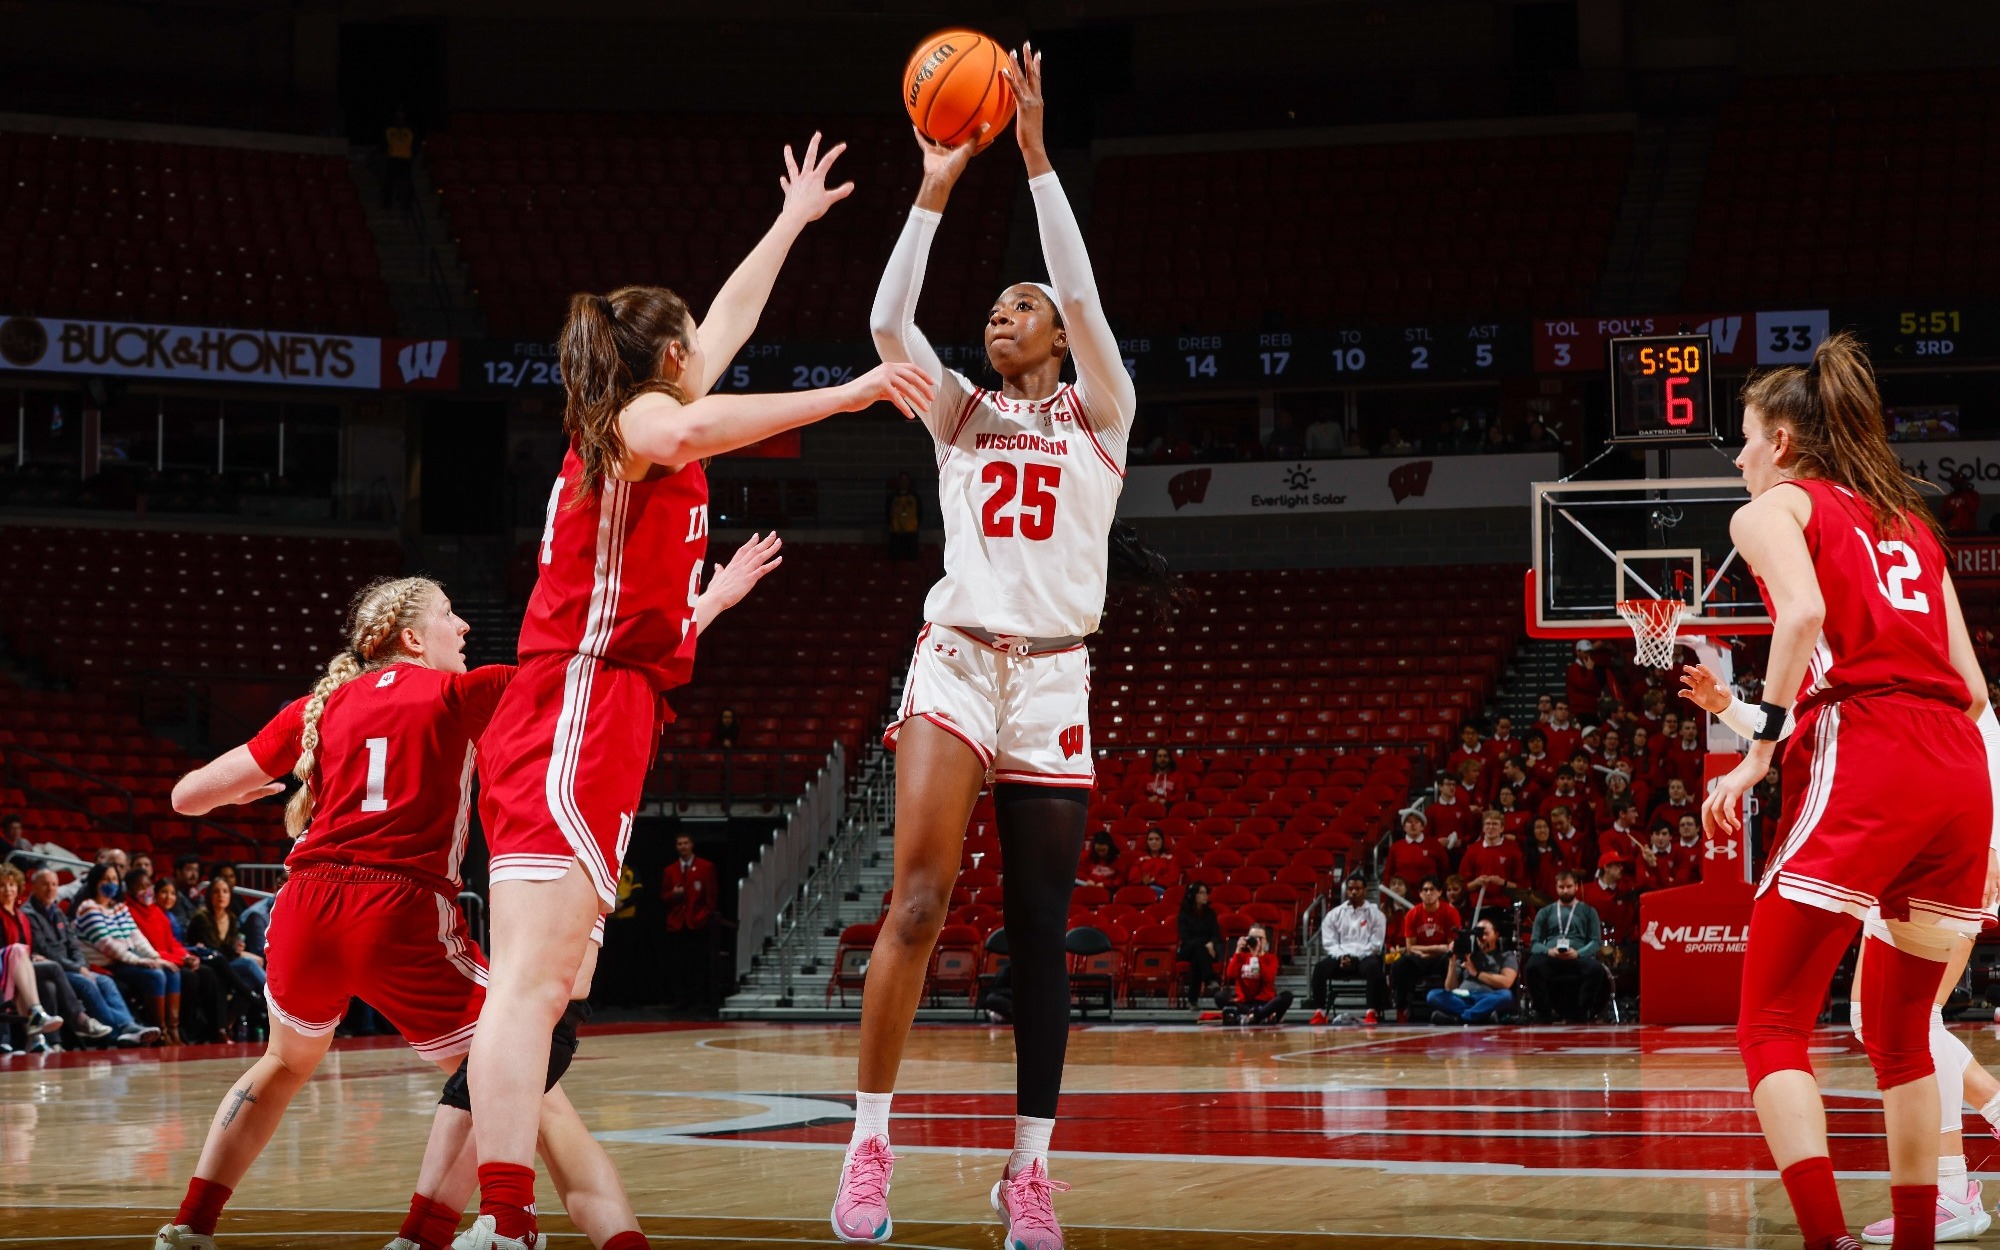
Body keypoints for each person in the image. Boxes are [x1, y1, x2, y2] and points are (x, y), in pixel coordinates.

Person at [459, 131, 928, 1250]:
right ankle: (497, 1220)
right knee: (525, 982)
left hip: (610, 702)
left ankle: (487, 1210)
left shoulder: (638, 410)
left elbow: (725, 324)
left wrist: (790, 223)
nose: (705, 352)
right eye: (691, 347)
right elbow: (704, 414)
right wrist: (851, 391)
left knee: (555, 975)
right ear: (663, 353)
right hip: (573, 698)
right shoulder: (634, 423)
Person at [151, 564, 772, 1250]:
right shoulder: (462, 692)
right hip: (397, 906)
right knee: (524, 1064)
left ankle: (190, 1225)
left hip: (302, 908)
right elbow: (607, 671)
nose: (465, 625)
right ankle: (515, 1227)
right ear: (411, 638)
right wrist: (707, 604)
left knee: (285, 1061)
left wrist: (248, 792)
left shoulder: (316, 709)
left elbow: (188, 797)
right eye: (450, 614)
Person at [837, 44, 1141, 1249]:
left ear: (1056, 335)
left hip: (1056, 675)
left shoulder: (1102, 409)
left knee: (1035, 936)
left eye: (1018, 309)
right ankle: (869, 1144)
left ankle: (1029, 1172)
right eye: (995, 309)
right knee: (915, 900)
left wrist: (1035, 160)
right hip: (957, 659)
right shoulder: (958, 413)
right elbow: (883, 319)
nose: (997, 317)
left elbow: (1082, 292)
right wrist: (933, 183)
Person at [1699, 331, 1994, 1250]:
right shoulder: (1912, 522)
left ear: (1783, 443)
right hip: (1958, 766)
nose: (1739, 456)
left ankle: (1823, 1240)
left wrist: (1767, 739)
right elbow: (1977, 689)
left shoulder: (1773, 507)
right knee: (1902, 1030)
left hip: (1866, 750)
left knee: (1771, 1025)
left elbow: (1806, 615)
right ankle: (1915, 1237)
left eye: (1745, 437)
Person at [25, 866, 154, 1045]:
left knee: (105, 982)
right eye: (45, 884)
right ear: (33, 886)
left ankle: (128, 1025)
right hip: (57, 969)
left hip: (73, 966)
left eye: (54, 884)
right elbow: (46, 951)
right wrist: (78, 968)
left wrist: (81, 965)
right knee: (86, 983)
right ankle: (118, 1033)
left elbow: (74, 944)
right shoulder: (29, 914)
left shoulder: (57, 912)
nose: (51, 888)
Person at [0, 863, 81, 1049]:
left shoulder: (21, 916)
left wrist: (34, 955)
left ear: (18, 887)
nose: (8, 889)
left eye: (11, 885)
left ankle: (41, 1040)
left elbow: (30, 946)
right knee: (47, 964)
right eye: (2, 885)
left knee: (47, 985)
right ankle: (76, 1017)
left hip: (18, 967)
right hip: (3, 965)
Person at [1523, 871, 1608, 1023]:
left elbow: (1596, 942)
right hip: (1552, 955)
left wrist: (1579, 953)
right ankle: (1543, 1012)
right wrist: (1548, 951)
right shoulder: (1545, 912)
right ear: (1556, 888)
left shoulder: (1588, 911)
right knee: (1532, 966)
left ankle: (1582, 1012)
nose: (1565, 890)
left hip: (1577, 955)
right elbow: (1534, 943)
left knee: (1595, 969)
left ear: (1576, 887)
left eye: (1569, 886)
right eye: (1561, 887)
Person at [1309, 876, 1387, 1019]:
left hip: (1365, 956)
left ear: (1365, 890)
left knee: (1374, 967)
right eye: (1350, 889)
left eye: (1357, 889)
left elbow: (1376, 944)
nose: (1353, 892)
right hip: (1340, 956)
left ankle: (1372, 1012)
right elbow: (1329, 942)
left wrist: (1355, 958)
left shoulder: (1376, 914)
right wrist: (1342, 956)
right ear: (1346, 892)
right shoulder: (1334, 914)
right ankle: (1319, 1012)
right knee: (1320, 968)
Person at [186, 876, 268, 1007]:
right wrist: (240, 953)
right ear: (209, 895)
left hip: (227, 961)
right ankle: (279, 999)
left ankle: (232, 1020)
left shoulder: (231, 917)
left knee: (249, 979)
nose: (221, 895)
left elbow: (231, 946)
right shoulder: (201, 917)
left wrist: (239, 948)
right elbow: (213, 948)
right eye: (216, 891)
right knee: (248, 963)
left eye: (225, 891)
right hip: (209, 961)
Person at [660, 833, 717, 1012]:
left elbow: (711, 897)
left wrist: (704, 916)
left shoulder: (706, 867)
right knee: (678, 965)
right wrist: (673, 894)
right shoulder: (670, 870)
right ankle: (680, 1000)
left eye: (685, 843)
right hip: (677, 923)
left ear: (692, 845)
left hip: (697, 923)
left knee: (697, 963)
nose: (683, 846)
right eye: (679, 844)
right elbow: (663, 896)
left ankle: (698, 1000)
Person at [1425, 918, 1519, 1025]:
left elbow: (1506, 982)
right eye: (1479, 935)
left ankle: (1460, 1019)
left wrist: (1476, 973)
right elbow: (1450, 988)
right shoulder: (1467, 955)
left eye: (1486, 934)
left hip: (1487, 997)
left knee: (1506, 995)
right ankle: (1480, 1016)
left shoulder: (1506, 956)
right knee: (1433, 995)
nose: (1482, 938)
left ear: (1496, 935)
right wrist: (1452, 961)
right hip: (1462, 997)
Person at [1390, 877, 1459, 1022]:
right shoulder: (1412, 914)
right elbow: (1410, 947)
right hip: (1420, 959)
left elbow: (1450, 946)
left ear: (1440, 892)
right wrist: (1437, 948)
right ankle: (1402, 1008)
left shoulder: (1450, 912)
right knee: (1400, 964)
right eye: (1425, 890)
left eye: (1432, 889)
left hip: (1440, 958)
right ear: (1420, 894)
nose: (1428, 893)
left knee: (1450, 962)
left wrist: (1428, 950)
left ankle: (1451, 1007)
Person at [1176, 883, 1222, 1003]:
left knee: (1198, 957)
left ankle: (1193, 1000)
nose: (1205, 896)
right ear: (1193, 895)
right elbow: (1186, 939)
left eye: (1206, 893)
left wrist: (1211, 943)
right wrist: (1206, 944)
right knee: (1199, 949)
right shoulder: (1184, 915)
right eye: (1201, 893)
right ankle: (1209, 979)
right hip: (1188, 950)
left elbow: (1216, 935)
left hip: (1206, 952)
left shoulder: (1211, 914)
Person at [1383, 811, 1451, 889]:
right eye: (1409, 822)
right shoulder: (1396, 847)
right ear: (1404, 827)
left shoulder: (1435, 845)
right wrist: (1384, 898)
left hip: (1429, 894)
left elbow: (1444, 871)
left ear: (1422, 826)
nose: (1413, 825)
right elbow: (1388, 874)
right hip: (1402, 895)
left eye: (1416, 821)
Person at [1128, 828, 1177, 896]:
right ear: (1147, 842)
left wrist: (1154, 880)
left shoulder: (1171, 859)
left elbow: (1173, 879)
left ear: (1162, 841)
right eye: (1150, 839)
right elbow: (1132, 878)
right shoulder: (1140, 860)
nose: (1154, 842)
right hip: (1141, 889)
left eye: (1157, 839)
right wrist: (1142, 880)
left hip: (1163, 891)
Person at [383, 109, 416, 210]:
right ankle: (387, 204)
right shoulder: (389, 128)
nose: (400, 116)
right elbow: (384, 142)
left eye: (402, 114)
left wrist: (412, 154)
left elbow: (414, 143)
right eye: (398, 114)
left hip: (406, 159)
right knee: (389, 182)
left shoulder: (409, 129)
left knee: (407, 182)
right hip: (393, 158)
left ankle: (407, 204)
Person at [886, 471, 922, 561]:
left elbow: (920, 512)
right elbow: (887, 512)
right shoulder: (892, 497)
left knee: (911, 560)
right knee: (895, 559)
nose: (903, 482)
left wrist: (916, 526)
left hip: (911, 533)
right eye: (902, 480)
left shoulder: (914, 496)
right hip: (896, 533)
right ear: (898, 481)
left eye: (905, 480)